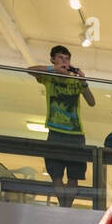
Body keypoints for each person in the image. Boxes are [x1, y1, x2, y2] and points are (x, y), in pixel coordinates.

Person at [27, 46, 94, 207]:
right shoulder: (49, 77)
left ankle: (66, 207)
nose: (65, 62)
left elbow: (91, 102)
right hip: (55, 131)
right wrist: (54, 70)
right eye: (61, 58)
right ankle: (62, 206)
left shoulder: (75, 81)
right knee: (55, 173)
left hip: (76, 134)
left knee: (74, 175)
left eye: (67, 59)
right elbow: (29, 70)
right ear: (53, 59)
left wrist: (83, 82)